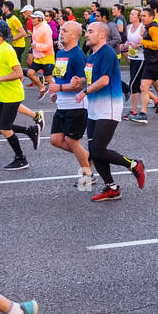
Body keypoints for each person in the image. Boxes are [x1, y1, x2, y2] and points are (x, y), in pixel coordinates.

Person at [82, 20, 146, 201]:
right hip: (93, 107)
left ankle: (134, 165)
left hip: (109, 106)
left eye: (90, 31)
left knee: (99, 149)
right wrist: (75, 85)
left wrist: (84, 92)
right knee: (94, 150)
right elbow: (89, 79)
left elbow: (104, 80)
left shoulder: (107, 53)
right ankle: (112, 187)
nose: (86, 34)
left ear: (102, 35)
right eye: (86, 31)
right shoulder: (91, 55)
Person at [0, 19, 41, 171]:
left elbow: (17, 73)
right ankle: (30, 130)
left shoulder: (7, 50)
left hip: (13, 94)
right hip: (2, 94)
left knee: (5, 128)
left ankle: (21, 158)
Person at [47, 20, 95, 191]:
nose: (61, 33)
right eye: (61, 30)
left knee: (72, 140)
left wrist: (59, 87)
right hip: (62, 104)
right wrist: (55, 92)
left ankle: (88, 175)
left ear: (75, 35)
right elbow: (60, 77)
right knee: (55, 140)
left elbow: (84, 83)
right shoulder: (60, 53)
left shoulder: (78, 55)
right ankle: (88, 157)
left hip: (77, 105)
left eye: (65, 31)